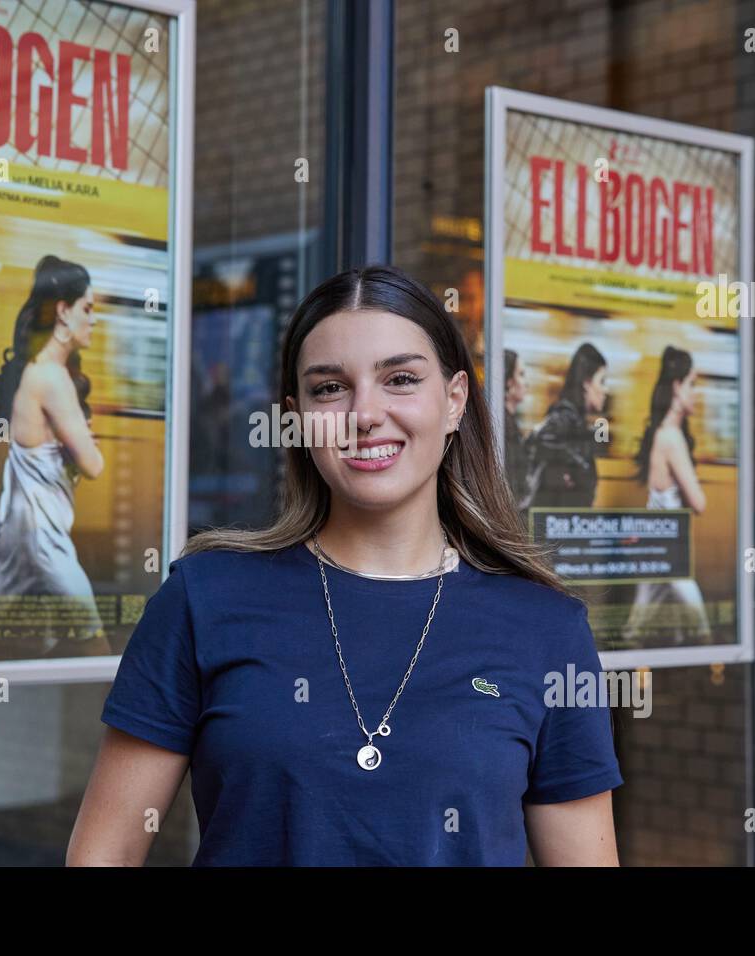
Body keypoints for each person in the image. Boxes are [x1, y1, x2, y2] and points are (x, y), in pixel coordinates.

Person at [67, 264, 622, 867]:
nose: (365, 413)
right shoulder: (205, 600)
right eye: (329, 388)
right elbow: (104, 853)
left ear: (456, 399)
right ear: (297, 416)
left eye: (401, 379)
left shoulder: (546, 630)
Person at [0, 256, 108, 660]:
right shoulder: (51, 379)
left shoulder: (40, 373)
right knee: (95, 645)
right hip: (41, 539)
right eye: (87, 309)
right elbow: (93, 465)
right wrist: (85, 444)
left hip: (15, 531)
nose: (94, 320)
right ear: (62, 312)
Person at [623, 346, 712, 645]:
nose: (696, 393)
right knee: (699, 621)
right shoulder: (671, 438)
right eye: (692, 384)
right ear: (677, 386)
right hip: (667, 548)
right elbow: (699, 502)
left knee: (639, 622)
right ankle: (715, 667)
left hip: (657, 543)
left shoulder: (664, 434)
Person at [527, 342, 608, 509]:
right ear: (586, 383)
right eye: (602, 381)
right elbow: (541, 438)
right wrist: (579, 467)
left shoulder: (577, 420)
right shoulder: (566, 415)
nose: (605, 390)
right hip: (558, 525)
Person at [502, 348, 532, 513]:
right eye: (520, 374)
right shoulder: (503, 427)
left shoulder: (511, 423)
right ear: (508, 382)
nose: (526, 382)